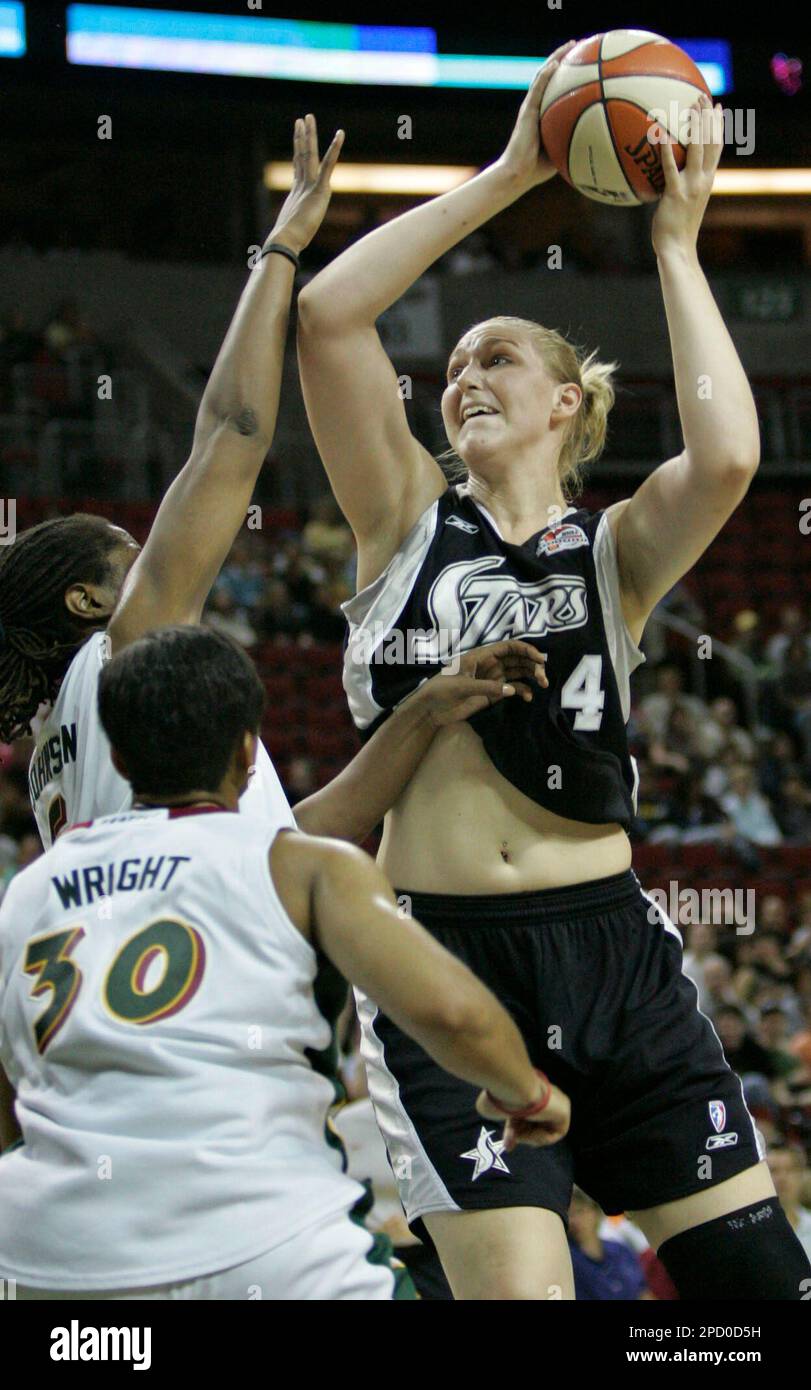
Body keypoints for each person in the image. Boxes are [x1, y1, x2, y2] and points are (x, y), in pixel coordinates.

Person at [296, 43, 811, 1300]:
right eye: (455, 368)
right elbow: (326, 315)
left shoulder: (618, 547)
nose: (464, 378)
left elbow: (730, 456)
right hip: (445, 960)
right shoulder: (400, 519)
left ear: (570, 405)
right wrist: (514, 167)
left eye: (498, 361)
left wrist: (679, 249)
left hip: (612, 951)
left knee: (758, 1293)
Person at [0, 626, 568, 1300]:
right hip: (268, 1245)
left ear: (118, 761)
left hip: (59, 1261)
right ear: (247, 751)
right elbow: (452, 1012)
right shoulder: (296, 863)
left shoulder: (29, 891)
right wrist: (525, 1091)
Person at [0, 116, 343, 849]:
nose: (153, 552)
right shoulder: (120, 652)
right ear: (88, 599)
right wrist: (281, 248)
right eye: (129, 550)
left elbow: (266, 837)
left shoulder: (54, 749)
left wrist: (417, 725)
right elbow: (234, 430)